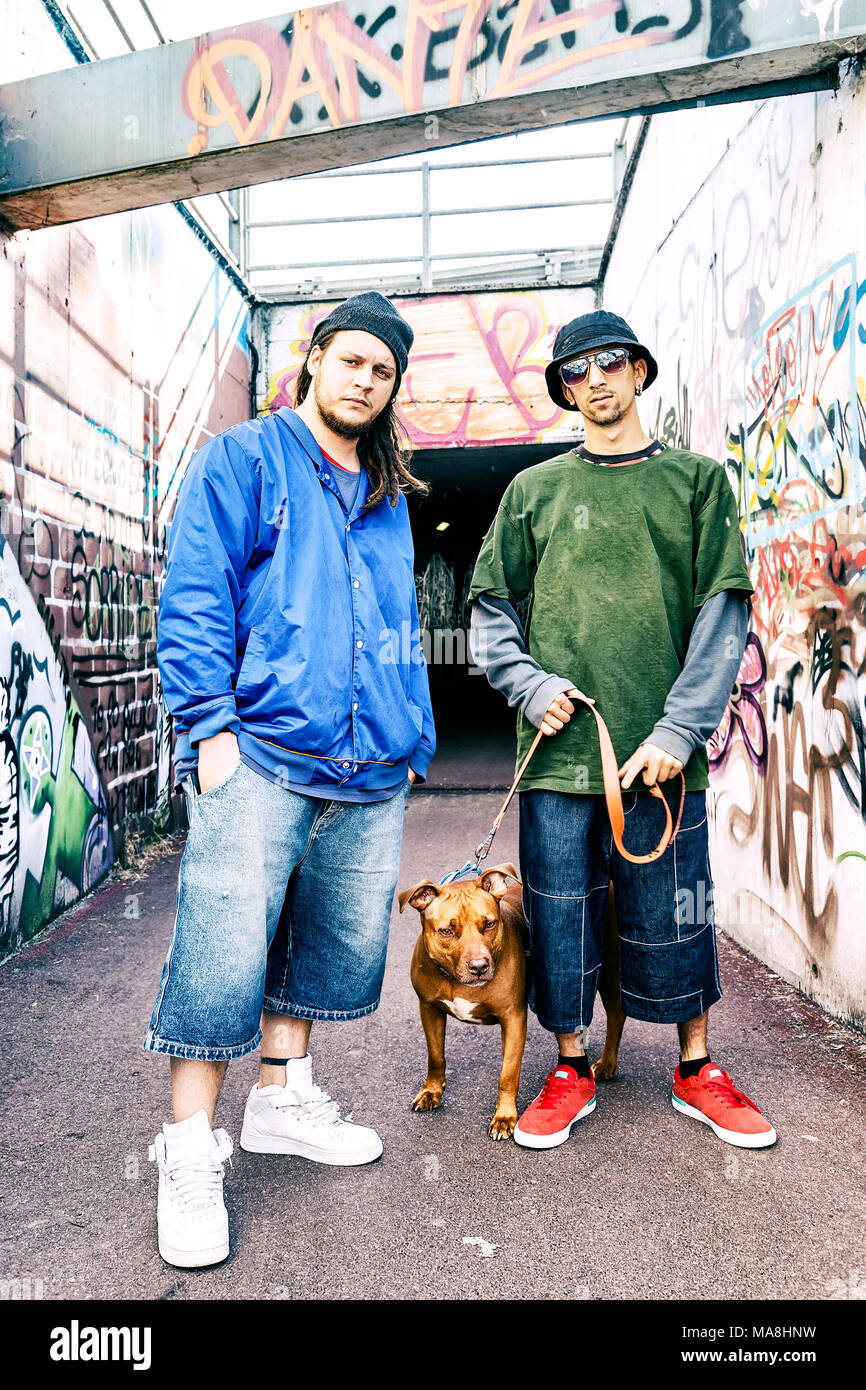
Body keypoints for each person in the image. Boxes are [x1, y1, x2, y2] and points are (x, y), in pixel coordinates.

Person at [144, 292, 435, 1267]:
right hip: (260, 755)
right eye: (351, 360)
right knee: (223, 952)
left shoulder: (387, 489)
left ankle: (281, 1096)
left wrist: (413, 733)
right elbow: (194, 598)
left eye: (382, 370)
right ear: (312, 360)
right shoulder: (245, 458)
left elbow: (388, 621)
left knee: (323, 947)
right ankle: (189, 1151)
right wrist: (209, 731)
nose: (365, 379)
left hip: (368, 767)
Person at [468, 310, 776, 1152]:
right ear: (565, 391)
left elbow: (724, 614)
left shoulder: (696, 483)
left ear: (639, 370)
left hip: (664, 763)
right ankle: (568, 1068)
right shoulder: (534, 492)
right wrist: (529, 685)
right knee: (561, 916)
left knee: (677, 912)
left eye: (609, 363)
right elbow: (489, 612)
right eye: (575, 371)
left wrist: (680, 732)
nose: (594, 379)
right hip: (560, 758)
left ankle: (695, 1068)